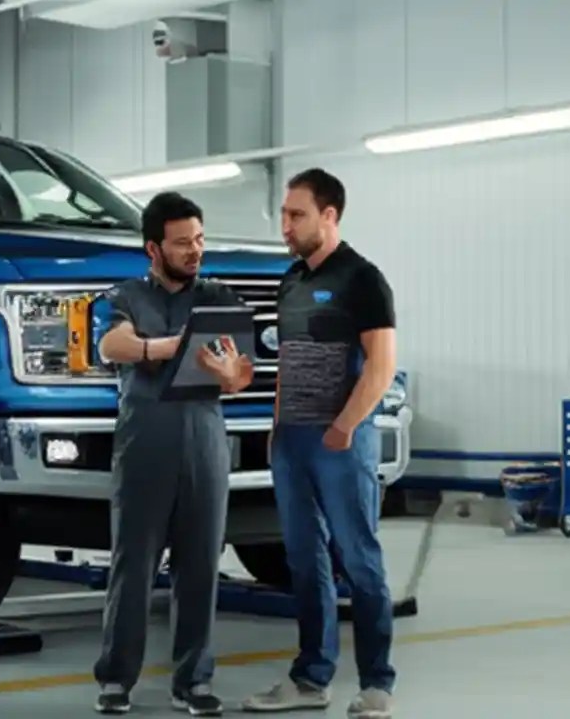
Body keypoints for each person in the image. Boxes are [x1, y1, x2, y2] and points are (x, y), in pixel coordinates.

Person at [240, 168, 398, 718]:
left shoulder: (363, 279)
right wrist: (278, 429)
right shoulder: (290, 281)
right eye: (284, 214)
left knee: (360, 559)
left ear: (329, 216)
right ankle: (312, 676)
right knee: (304, 562)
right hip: (292, 443)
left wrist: (344, 428)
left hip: (341, 443)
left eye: (296, 214)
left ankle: (377, 683)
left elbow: (381, 366)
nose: (285, 225)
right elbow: (285, 365)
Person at [92, 191, 254, 716]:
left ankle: (194, 682)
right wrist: (170, 347)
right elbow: (111, 346)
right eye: (182, 243)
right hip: (145, 441)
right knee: (133, 564)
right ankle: (116, 679)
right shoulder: (126, 297)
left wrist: (229, 373)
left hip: (205, 438)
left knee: (202, 564)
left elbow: (239, 373)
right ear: (153, 249)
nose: (195, 250)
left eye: (200, 240)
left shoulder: (219, 296)